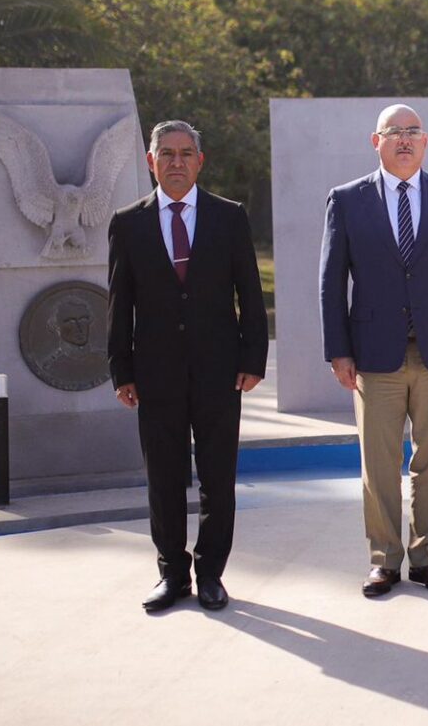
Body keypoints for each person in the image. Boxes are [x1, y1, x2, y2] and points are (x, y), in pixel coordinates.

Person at [319, 104, 428, 598]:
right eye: (394, 132)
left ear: (426, 141)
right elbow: (332, 283)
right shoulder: (347, 200)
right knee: (379, 463)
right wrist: (338, 351)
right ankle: (384, 560)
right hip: (373, 354)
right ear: (376, 142)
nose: (404, 140)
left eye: (413, 131)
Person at [108, 120, 268, 613]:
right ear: (151, 160)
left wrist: (252, 357)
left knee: (218, 476)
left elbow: (250, 294)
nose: (176, 162)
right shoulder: (128, 222)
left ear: (201, 161)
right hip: (155, 373)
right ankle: (171, 573)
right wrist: (122, 369)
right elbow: (119, 302)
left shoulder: (229, 217)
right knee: (163, 475)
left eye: (185, 153)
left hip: (220, 369)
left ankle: (211, 573)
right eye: (167, 154)